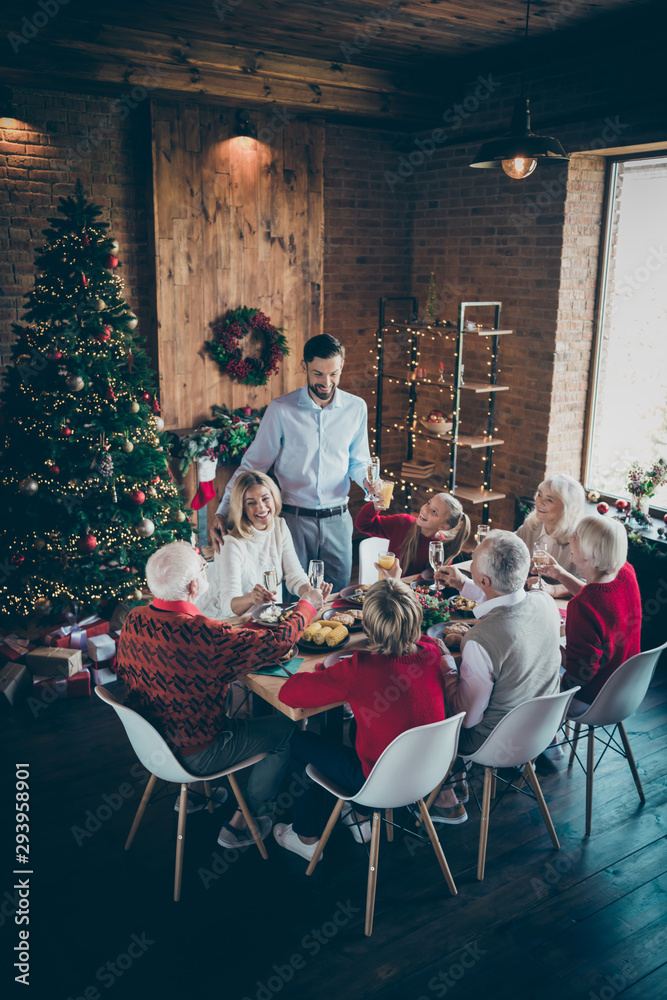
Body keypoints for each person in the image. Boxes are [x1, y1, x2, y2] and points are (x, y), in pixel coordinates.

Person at [116, 540, 323, 848]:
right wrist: (308, 605)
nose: (206, 570)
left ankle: (195, 795)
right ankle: (244, 821)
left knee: (209, 696)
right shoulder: (204, 633)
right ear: (194, 585)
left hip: (152, 743)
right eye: (203, 566)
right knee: (288, 732)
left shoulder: (134, 618)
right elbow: (278, 644)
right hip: (196, 754)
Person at [271, 578, 449, 862]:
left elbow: (289, 694)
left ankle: (306, 838)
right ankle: (360, 818)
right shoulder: (432, 651)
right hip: (427, 776)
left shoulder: (361, 668)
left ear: (368, 626)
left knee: (299, 742)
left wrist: (327, 673)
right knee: (364, 721)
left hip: (377, 784)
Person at [210, 334, 372, 593]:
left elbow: (358, 461)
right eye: (318, 374)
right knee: (292, 600)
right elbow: (252, 466)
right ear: (304, 366)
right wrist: (223, 509)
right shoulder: (281, 409)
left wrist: (368, 482)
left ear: (342, 366)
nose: (326, 382)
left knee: (337, 600)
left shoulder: (356, 408)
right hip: (292, 522)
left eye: (334, 374)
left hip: (338, 521)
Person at [430, 530, 562, 822]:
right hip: (541, 731)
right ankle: (458, 780)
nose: (470, 562)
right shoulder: (545, 602)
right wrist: (465, 585)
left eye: (473, 561)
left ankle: (445, 791)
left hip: (493, 742)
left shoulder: (480, 640)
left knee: (427, 701)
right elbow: (507, 600)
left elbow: (466, 717)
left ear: (484, 581)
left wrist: (446, 664)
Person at [196, 471, 332, 619]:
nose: (261, 507)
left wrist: (311, 593)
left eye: (265, 498)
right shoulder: (231, 542)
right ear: (241, 507)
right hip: (224, 621)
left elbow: (295, 576)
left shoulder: (279, 526)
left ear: (274, 498)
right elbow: (228, 605)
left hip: (264, 619)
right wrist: (252, 598)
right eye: (251, 503)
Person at [542, 515, 641, 713]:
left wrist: (546, 641)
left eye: (576, 536)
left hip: (593, 699)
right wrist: (560, 574)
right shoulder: (626, 572)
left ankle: (546, 736)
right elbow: (599, 600)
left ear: (590, 551)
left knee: (524, 687)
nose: (569, 538)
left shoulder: (581, 606)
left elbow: (578, 676)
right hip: (629, 689)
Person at [354, 491, 471, 577]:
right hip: (388, 588)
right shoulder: (403, 523)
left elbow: (432, 585)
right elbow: (363, 525)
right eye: (428, 503)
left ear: (444, 526)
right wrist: (374, 507)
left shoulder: (439, 549)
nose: (425, 509)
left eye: (434, 512)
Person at [516, 473, 586, 596]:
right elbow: (509, 548)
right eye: (539, 495)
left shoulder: (580, 539)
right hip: (532, 595)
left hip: (564, 602)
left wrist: (553, 589)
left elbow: (588, 586)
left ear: (567, 508)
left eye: (549, 500)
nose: (539, 502)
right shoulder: (531, 526)